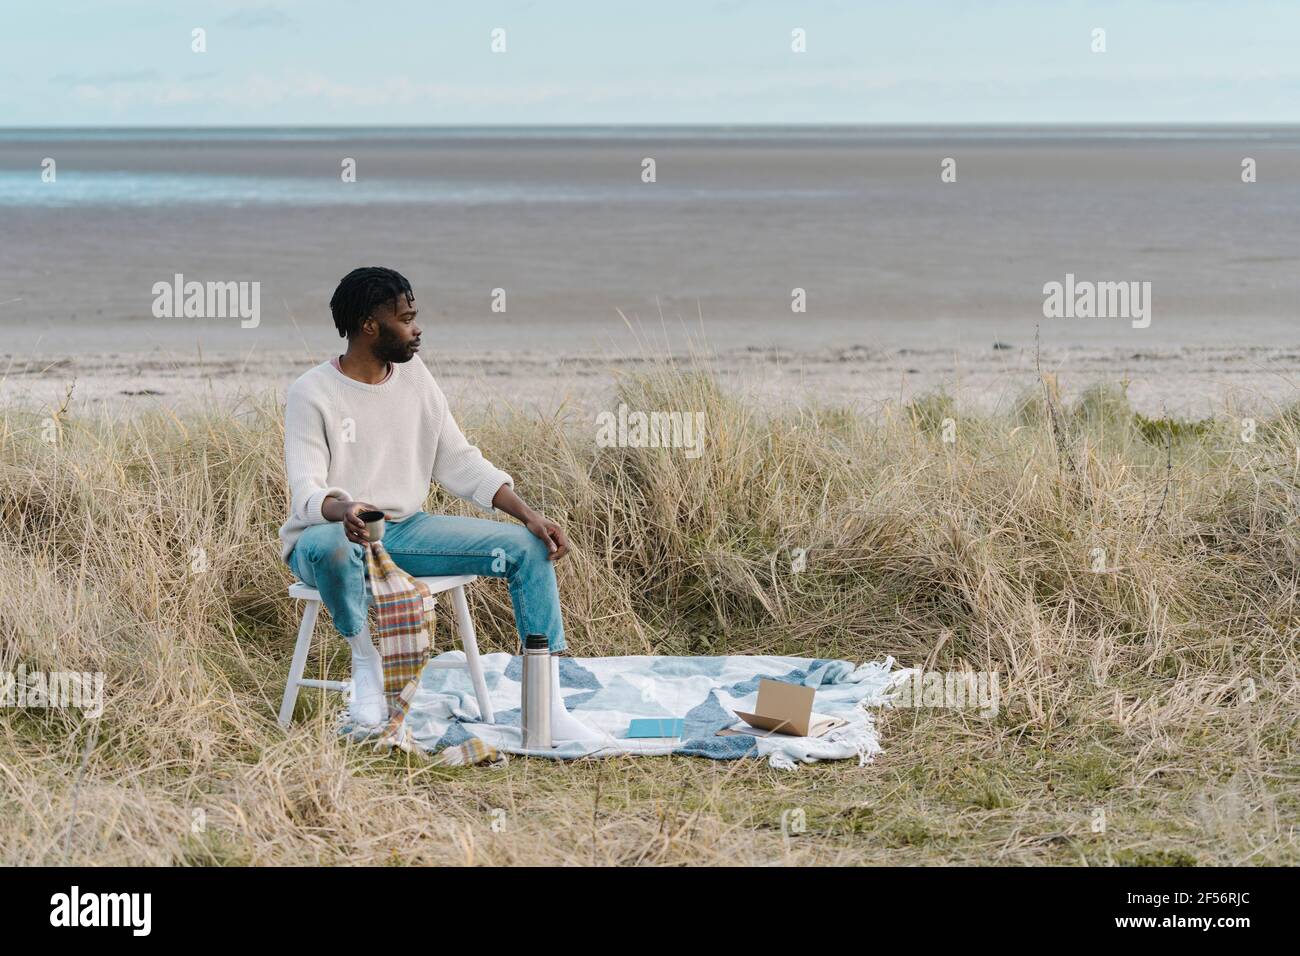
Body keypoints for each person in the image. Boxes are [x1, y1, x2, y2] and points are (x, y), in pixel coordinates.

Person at [278, 266, 606, 744]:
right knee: (332, 548)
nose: (417, 328)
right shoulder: (312, 392)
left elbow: (458, 460)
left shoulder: (415, 378)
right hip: (328, 538)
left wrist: (529, 515)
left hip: (406, 531)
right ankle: (366, 663)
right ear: (370, 326)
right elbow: (305, 488)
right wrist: (342, 509)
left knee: (527, 548)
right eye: (407, 319)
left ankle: (546, 706)